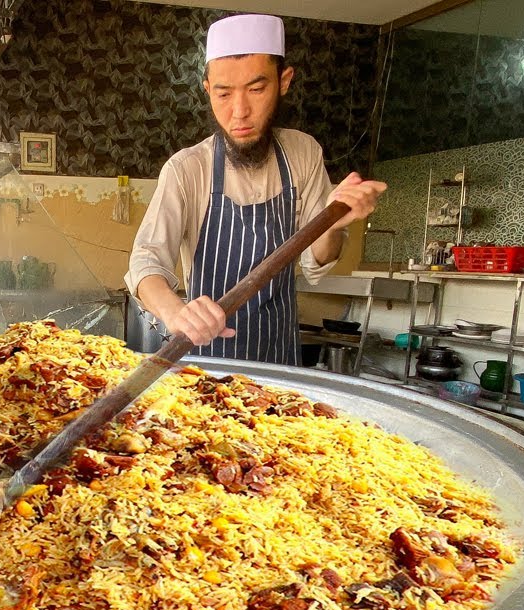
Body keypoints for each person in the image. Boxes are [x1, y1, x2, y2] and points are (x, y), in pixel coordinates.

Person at [125, 14, 387, 364]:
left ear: (284, 81)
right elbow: (146, 262)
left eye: (256, 89)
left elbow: (316, 261)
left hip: (280, 359)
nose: (239, 112)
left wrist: (334, 223)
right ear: (207, 90)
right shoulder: (188, 169)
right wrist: (176, 312)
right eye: (223, 93)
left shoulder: (303, 153)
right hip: (207, 365)